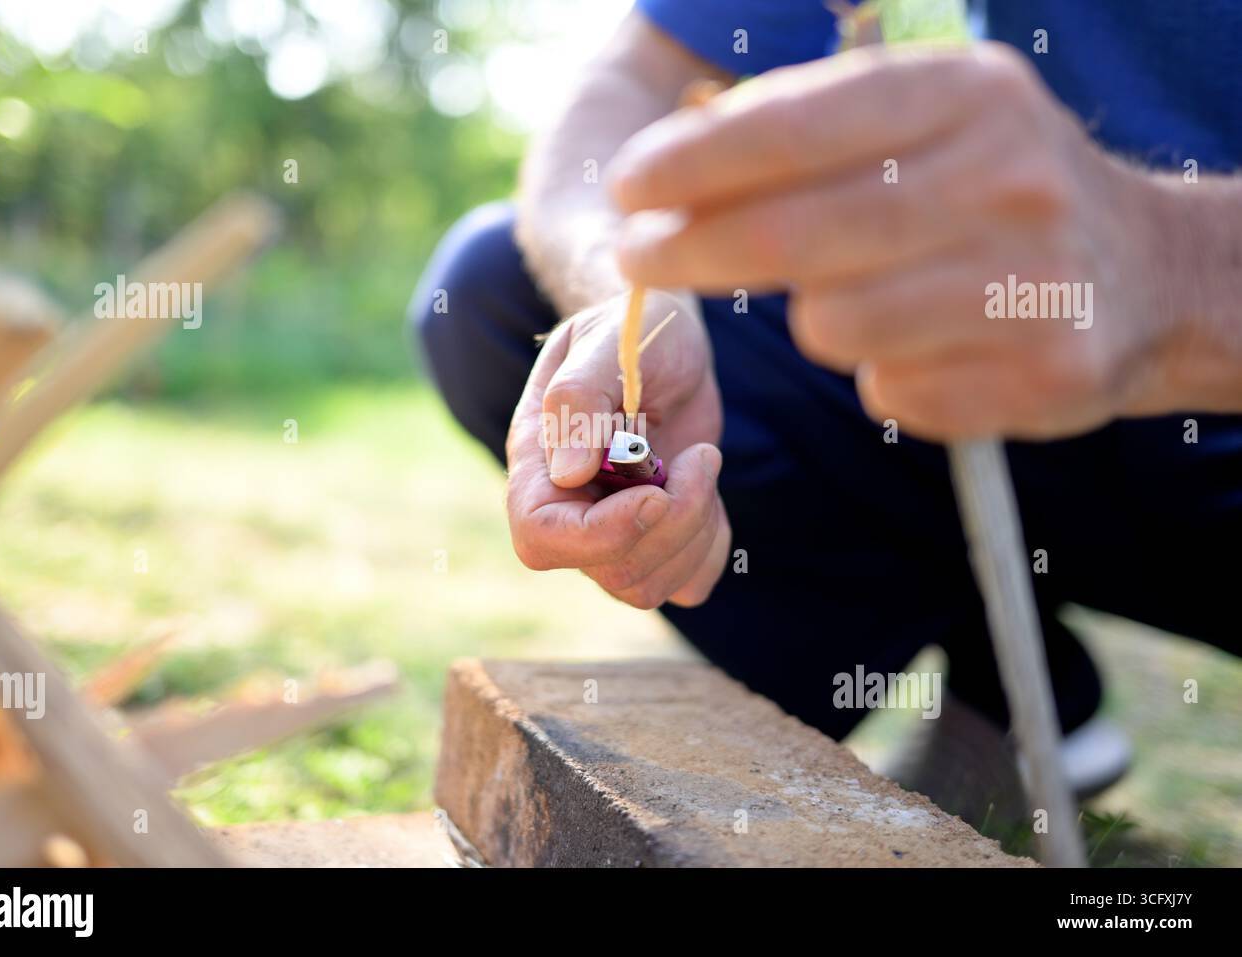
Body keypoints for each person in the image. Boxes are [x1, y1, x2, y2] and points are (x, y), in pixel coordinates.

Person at [409, 0, 1242, 827]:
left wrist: (1168, 266)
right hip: (1017, 365)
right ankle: (1014, 686)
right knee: (491, 294)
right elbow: (636, 83)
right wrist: (635, 298)